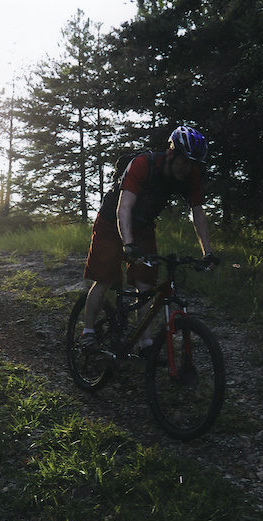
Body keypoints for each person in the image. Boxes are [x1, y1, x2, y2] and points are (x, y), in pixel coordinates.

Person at [80, 126, 219, 357]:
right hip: (111, 221)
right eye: (184, 161)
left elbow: (198, 212)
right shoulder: (144, 164)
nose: (187, 168)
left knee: (145, 284)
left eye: (192, 164)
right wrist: (128, 245)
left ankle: (145, 345)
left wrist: (208, 253)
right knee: (105, 278)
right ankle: (88, 332)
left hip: (143, 226)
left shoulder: (190, 175)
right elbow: (124, 208)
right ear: (171, 153)